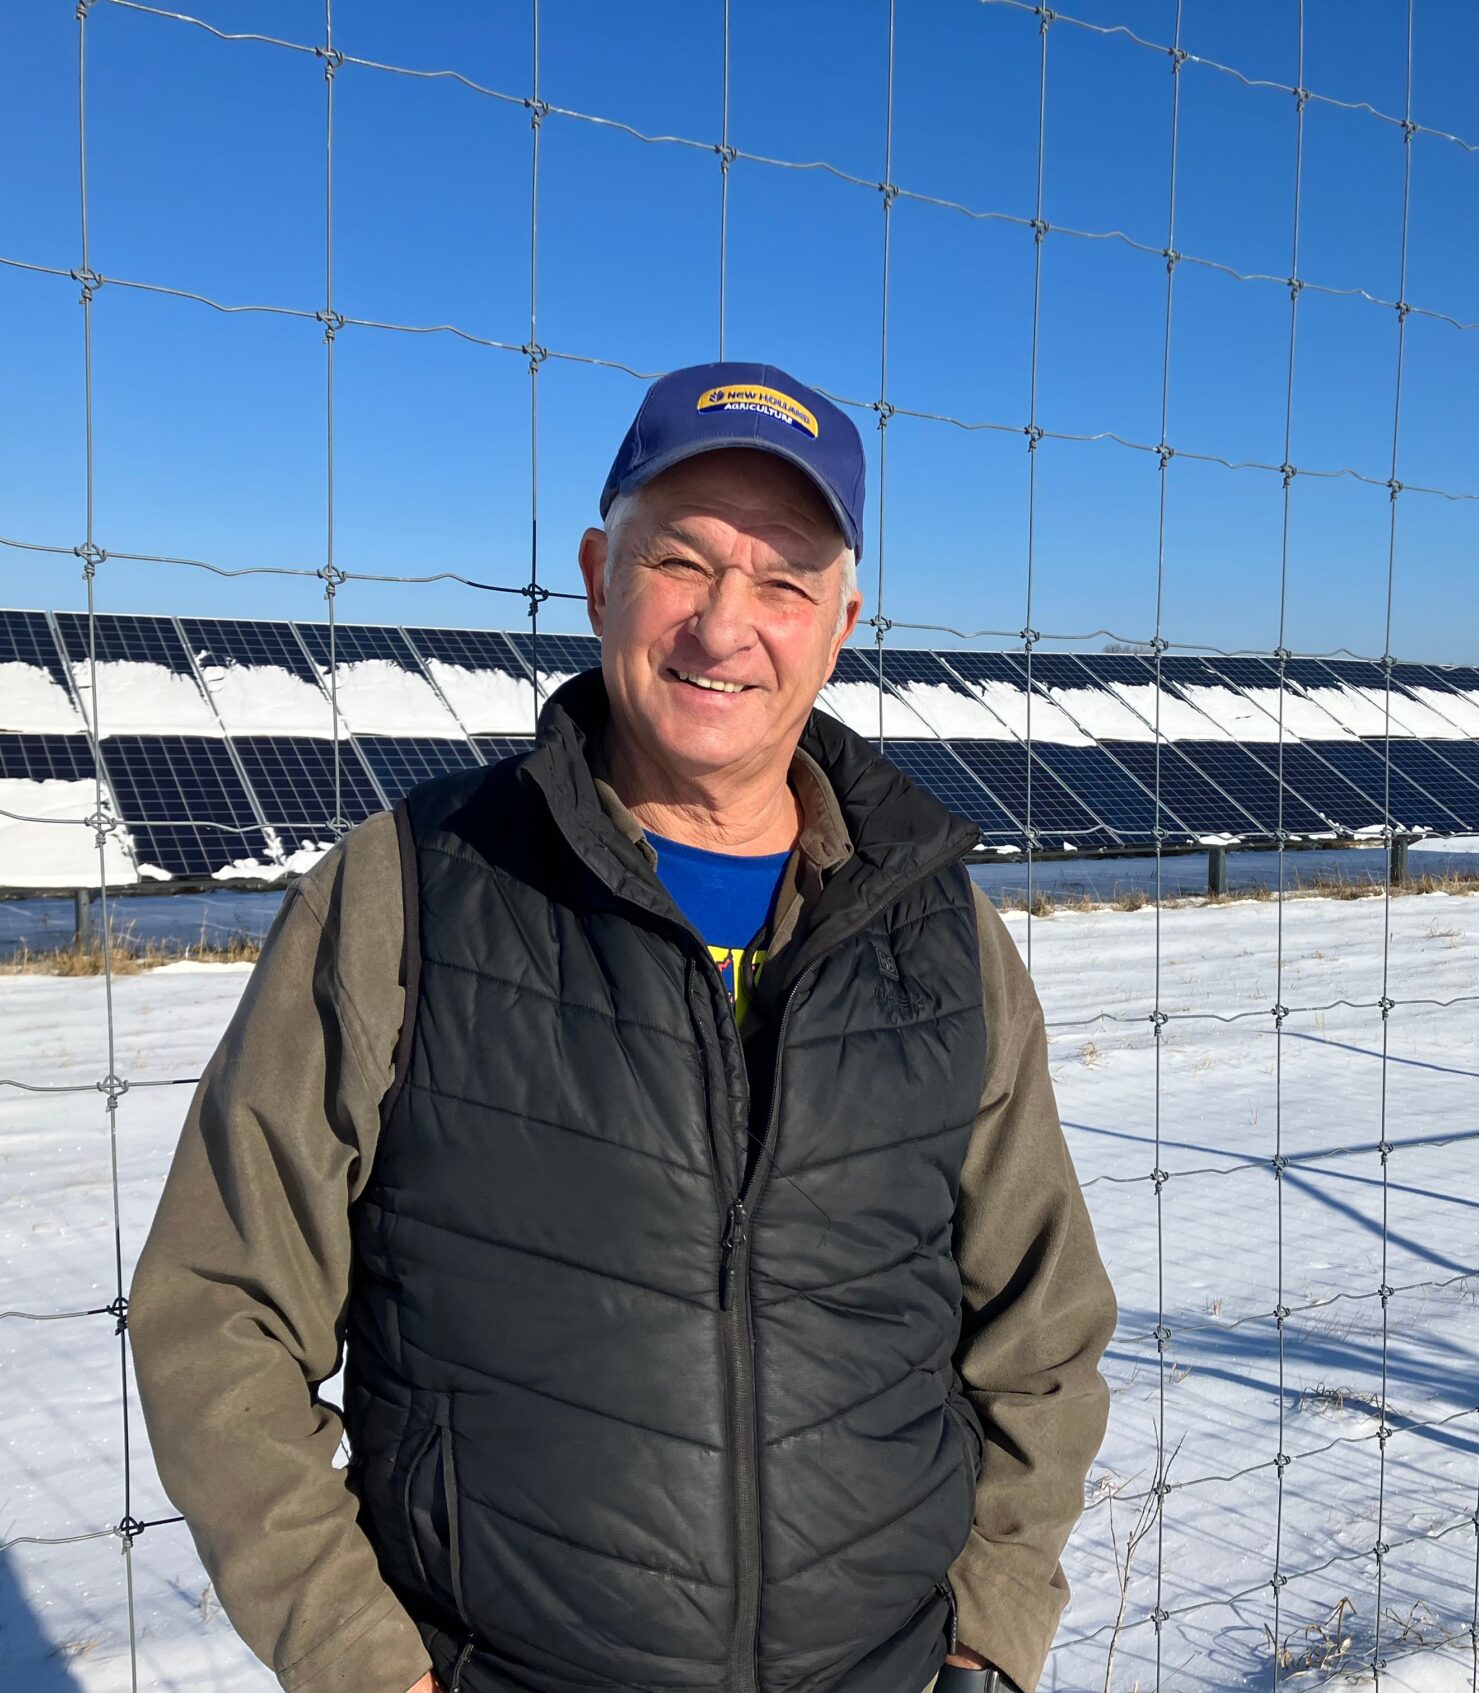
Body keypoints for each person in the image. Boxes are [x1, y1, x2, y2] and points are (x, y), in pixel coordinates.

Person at [130, 361, 1118, 1693]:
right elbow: (218, 1308)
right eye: (682, 560)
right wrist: (370, 1669)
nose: (726, 626)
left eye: (783, 581)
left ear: (842, 621)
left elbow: (1041, 1332)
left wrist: (990, 1637)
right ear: (600, 572)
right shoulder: (406, 895)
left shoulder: (939, 938)